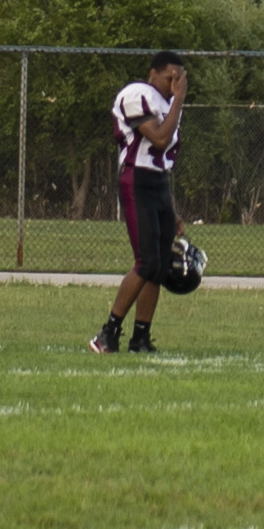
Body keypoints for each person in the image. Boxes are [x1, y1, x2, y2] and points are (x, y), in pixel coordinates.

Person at [96, 52, 188, 356]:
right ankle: (107, 333)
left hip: (158, 182)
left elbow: (162, 161)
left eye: (179, 79)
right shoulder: (138, 93)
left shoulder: (168, 105)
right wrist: (179, 99)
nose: (174, 84)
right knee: (146, 262)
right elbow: (158, 139)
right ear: (153, 74)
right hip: (136, 180)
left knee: (159, 268)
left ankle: (141, 338)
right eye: (170, 78)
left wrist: (172, 209)